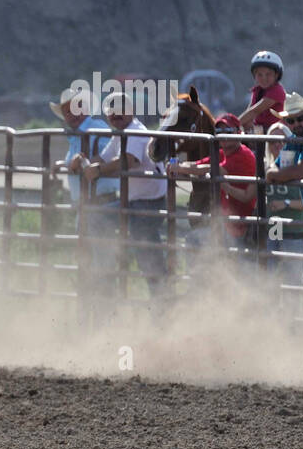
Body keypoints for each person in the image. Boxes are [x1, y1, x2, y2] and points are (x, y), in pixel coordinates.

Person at [75, 91, 168, 296]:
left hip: (147, 202)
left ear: (130, 111)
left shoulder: (134, 132)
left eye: (120, 112)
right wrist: (84, 162)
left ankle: (161, 296)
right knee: (96, 218)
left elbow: (129, 160)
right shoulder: (121, 134)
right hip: (136, 201)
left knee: (145, 248)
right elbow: (104, 157)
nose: (116, 116)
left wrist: (97, 171)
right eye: (112, 113)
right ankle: (108, 266)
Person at [170, 114, 257, 254]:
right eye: (219, 132)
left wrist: (178, 167)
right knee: (195, 239)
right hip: (228, 222)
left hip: (241, 225)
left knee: (198, 241)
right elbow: (198, 164)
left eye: (228, 131)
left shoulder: (243, 155)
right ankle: (199, 274)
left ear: (238, 132)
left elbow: (212, 168)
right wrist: (179, 165)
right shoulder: (224, 153)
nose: (223, 135)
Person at [266, 92, 303, 285]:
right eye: (291, 120)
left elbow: (301, 170)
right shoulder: (296, 139)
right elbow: (276, 167)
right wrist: (276, 173)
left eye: (300, 118)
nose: (296, 123)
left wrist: (275, 175)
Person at [263, 121, 303, 283]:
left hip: (295, 226)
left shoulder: (298, 167)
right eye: (272, 141)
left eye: (282, 141)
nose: (278, 145)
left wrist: (286, 203)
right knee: (271, 274)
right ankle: (272, 307)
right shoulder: (265, 167)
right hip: (275, 225)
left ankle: (293, 308)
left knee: (293, 278)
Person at [237, 50, 287, 131]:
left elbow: (255, 111)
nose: (264, 78)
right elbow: (249, 112)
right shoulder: (257, 90)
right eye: (260, 75)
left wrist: (234, 125)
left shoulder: (277, 90)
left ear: (277, 75)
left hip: (275, 131)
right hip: (260, 129)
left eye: (268, 74)